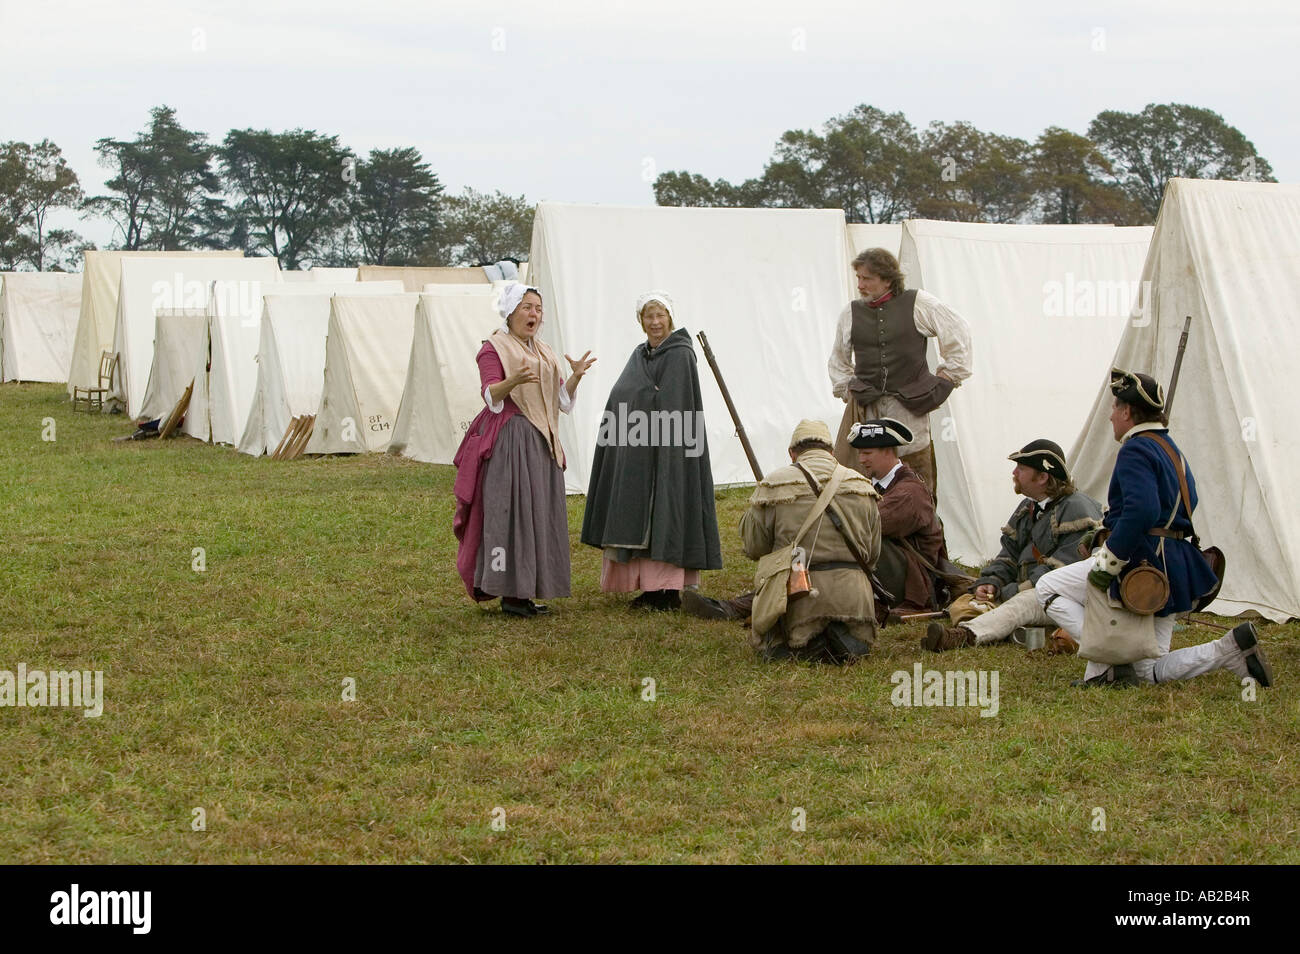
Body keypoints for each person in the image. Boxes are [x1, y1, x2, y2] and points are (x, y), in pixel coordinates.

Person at [1034, 369, 1274, 688]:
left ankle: (1105, 662)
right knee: (1148, 670)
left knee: (1048, 587)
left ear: (1127, 412)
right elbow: (1188, 501)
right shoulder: (1171, 449)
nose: (1110, 417)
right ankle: (1229, 649)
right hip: (1172, 561)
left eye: (1113, 409)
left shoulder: (1135, 449)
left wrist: (1108, 563)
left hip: (1140, 560)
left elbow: (1142, 510)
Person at [452, 283, 596, 618]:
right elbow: (490, 396)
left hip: (542, 443)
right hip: (511, 442)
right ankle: (509, 592)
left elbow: (561, 401)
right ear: (511, 310)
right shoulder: (494, 348)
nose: (534, 314)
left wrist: (574, 377)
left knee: (537, 516)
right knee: (511, 516)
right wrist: (513, 380)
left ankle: (527, 589)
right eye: (527, 307)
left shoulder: (543, 350)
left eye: (538, 309)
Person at [581, 291, 722, 610]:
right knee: (640, 511)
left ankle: (667, 590)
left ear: (670, 318)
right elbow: (627, 392)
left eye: (660, 316)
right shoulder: (640, 354)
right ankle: (648, 587)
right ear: (640, 321)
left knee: (666, 511)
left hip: (670, 451)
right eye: (648, 316)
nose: (655, 322)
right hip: (638, 447)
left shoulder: (680, 354)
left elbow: (674, 405)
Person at [922, 439, 1101, 652]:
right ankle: (1004, 628)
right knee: (969, 601)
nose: (1014, 473)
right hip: (1024, 590)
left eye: (1022, 468)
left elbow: (1062, 568)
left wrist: (1012, 590)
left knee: (1021, 603)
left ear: (1043, 477)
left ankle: (964, 636)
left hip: (1058, 595)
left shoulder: (1077, 508)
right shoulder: (1028, 507)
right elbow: (1008, 553)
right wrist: (992, 582)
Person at [732, 419, 880, 662]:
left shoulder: (774, 483)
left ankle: (799, 642)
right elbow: (872, 556)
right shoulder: (862, 486)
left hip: (797, 594)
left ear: (792, 453)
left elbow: (754, 546)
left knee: (781, 642)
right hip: (855, 599)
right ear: (831, 452)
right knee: (852, 633)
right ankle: (844, 638)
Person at [828, 247, 972, 496]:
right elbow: (838, 359)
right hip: (868, 406)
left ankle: (920, 522)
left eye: (867, 278)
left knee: (914, 467)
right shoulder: (850, 313)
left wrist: (948, 377)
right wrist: (849, 390)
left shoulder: (918, 303)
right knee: (867, 465)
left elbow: (957, 329)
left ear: (887, 279)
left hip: (909, 406)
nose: (860, 284)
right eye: (858, 278)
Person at [848, 418, 949, 613]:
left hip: (916, 583)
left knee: (868, 538)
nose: (861, 459)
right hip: (900, 576)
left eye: (867, 453)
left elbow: (869, 522)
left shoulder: (910, 493)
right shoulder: (872, 486)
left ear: (888, 451)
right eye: (860, 453)